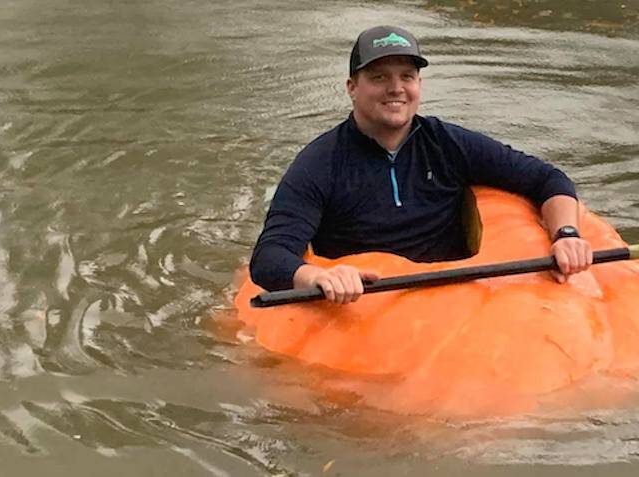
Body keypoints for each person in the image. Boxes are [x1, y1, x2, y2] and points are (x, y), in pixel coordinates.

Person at [250, 25, 592, 304]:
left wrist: (566, 235)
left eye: (407, 76)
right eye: (379, 77)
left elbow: (547, 179)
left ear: (419, 85)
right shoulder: (320, 162)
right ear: (352, 88)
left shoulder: (447, 143)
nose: (396, 88)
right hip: (368, 305)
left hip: (455, 298)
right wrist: (320, 276)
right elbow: (270, 256)